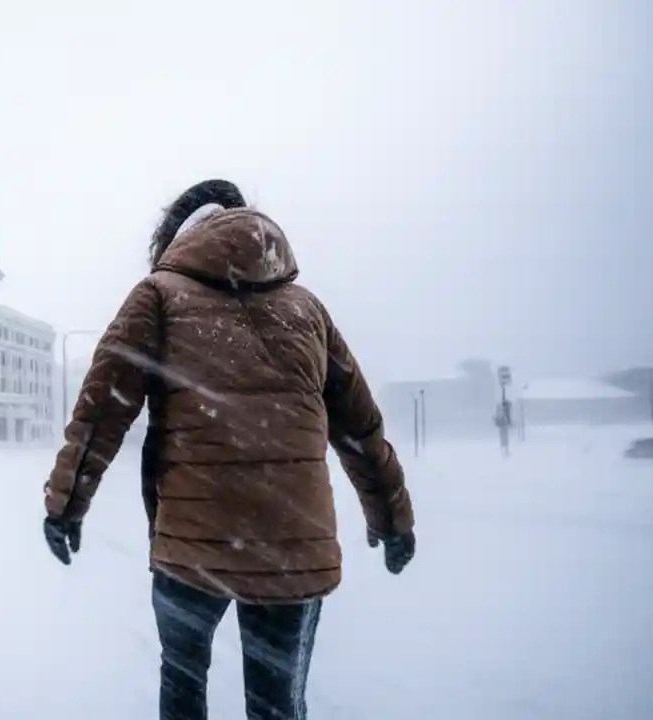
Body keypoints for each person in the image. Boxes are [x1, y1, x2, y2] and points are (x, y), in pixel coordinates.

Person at [42, 179, 416, 720]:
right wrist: (392, 515)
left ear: (177, 235)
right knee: (277, 707)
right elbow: (360, 424)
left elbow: (103, 410)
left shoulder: (159, 296)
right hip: (291, 548)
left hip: (192, 549)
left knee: (184, 689)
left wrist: (64, 504)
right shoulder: (306, 309)